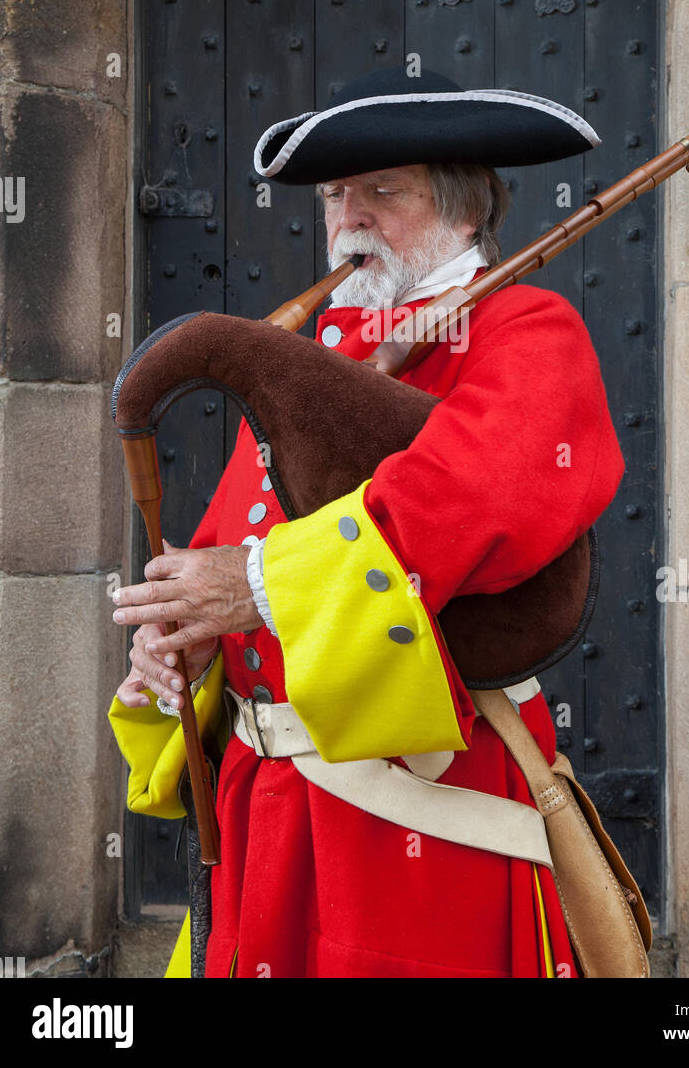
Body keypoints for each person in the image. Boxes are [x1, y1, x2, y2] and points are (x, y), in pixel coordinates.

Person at [108, 66, 624, 978]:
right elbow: (235, 556)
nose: (349, 217)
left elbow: (480, 496)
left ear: (465, 211)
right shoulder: (315, 358)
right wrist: (184, 643)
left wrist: (259, 586)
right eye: (338, 195)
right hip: (265, 817)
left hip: (427, 809)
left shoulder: (528, 327)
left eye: (383, 192)